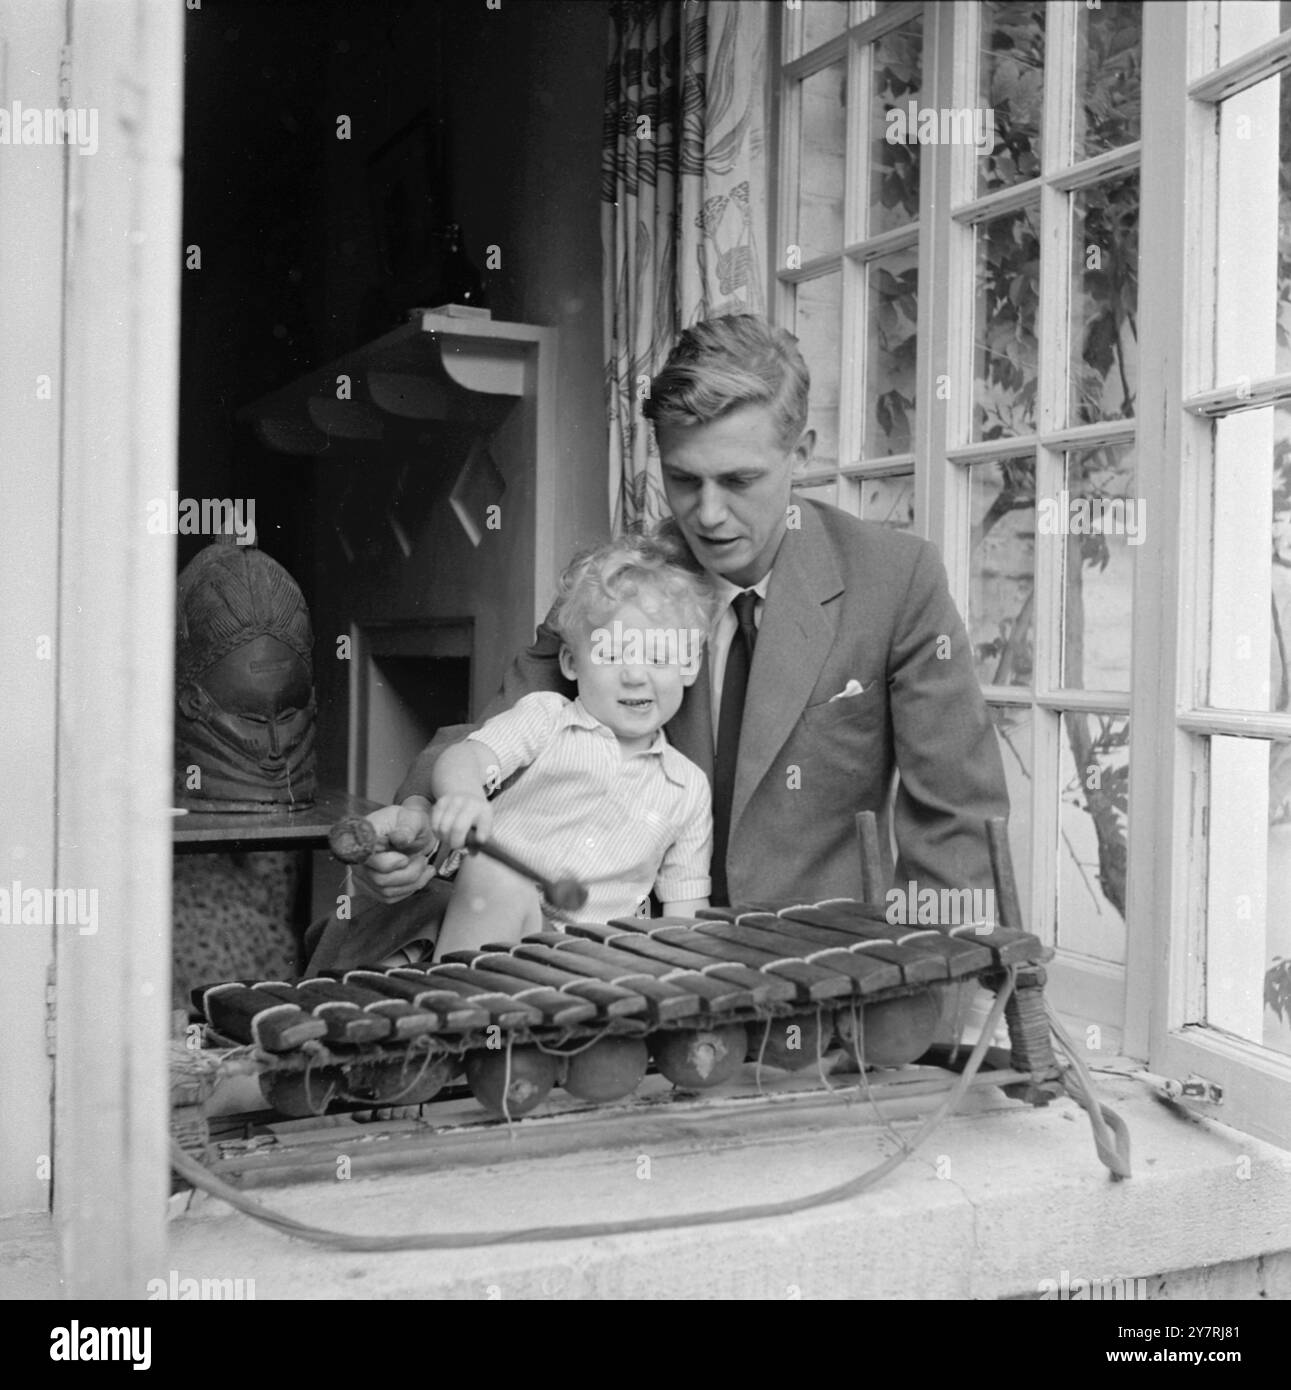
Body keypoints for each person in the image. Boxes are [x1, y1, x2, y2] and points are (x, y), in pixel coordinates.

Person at [305, 314, 1008, 972]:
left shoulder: (896, 579)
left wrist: (921, 1002)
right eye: (682, 479)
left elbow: (954, 819)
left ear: (802, 455)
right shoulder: (615, 588)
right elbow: (490, 734)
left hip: (816, 973)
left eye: (738, 481)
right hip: (624, 966)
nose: (706, 515)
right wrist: (419, 830)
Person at [395, 535, 714, 964]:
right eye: (613, 654)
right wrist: (465, 794)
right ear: (570, 662)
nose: (636, 675)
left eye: (658, 657)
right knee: (495, 874)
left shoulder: (688, 787)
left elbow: (684, 914)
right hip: (495, 923)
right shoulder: (545, 718)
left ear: (689, 664)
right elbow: (466, 757)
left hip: (586, 964)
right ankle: (460, 1018)